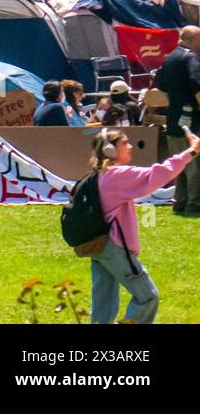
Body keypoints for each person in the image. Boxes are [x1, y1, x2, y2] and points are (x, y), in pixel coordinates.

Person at [86, 127, 200, 324]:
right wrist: (191, 151)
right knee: (148, 297)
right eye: (125, 143)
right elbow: (158, 174)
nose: (131, 147)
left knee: (102, 307)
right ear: (109, 150)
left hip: (98, 246)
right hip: (115, 247)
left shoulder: (98, 176)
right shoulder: (117, 175)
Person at [155, 25, 200, 215]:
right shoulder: (191, 57)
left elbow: (162, 87)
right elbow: (197, 85)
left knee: (178, 165)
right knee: (194, 164)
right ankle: (194, 204)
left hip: (173, 120)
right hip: (192, 121)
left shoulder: (170, 58)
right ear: (189, 39)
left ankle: (179, 202)